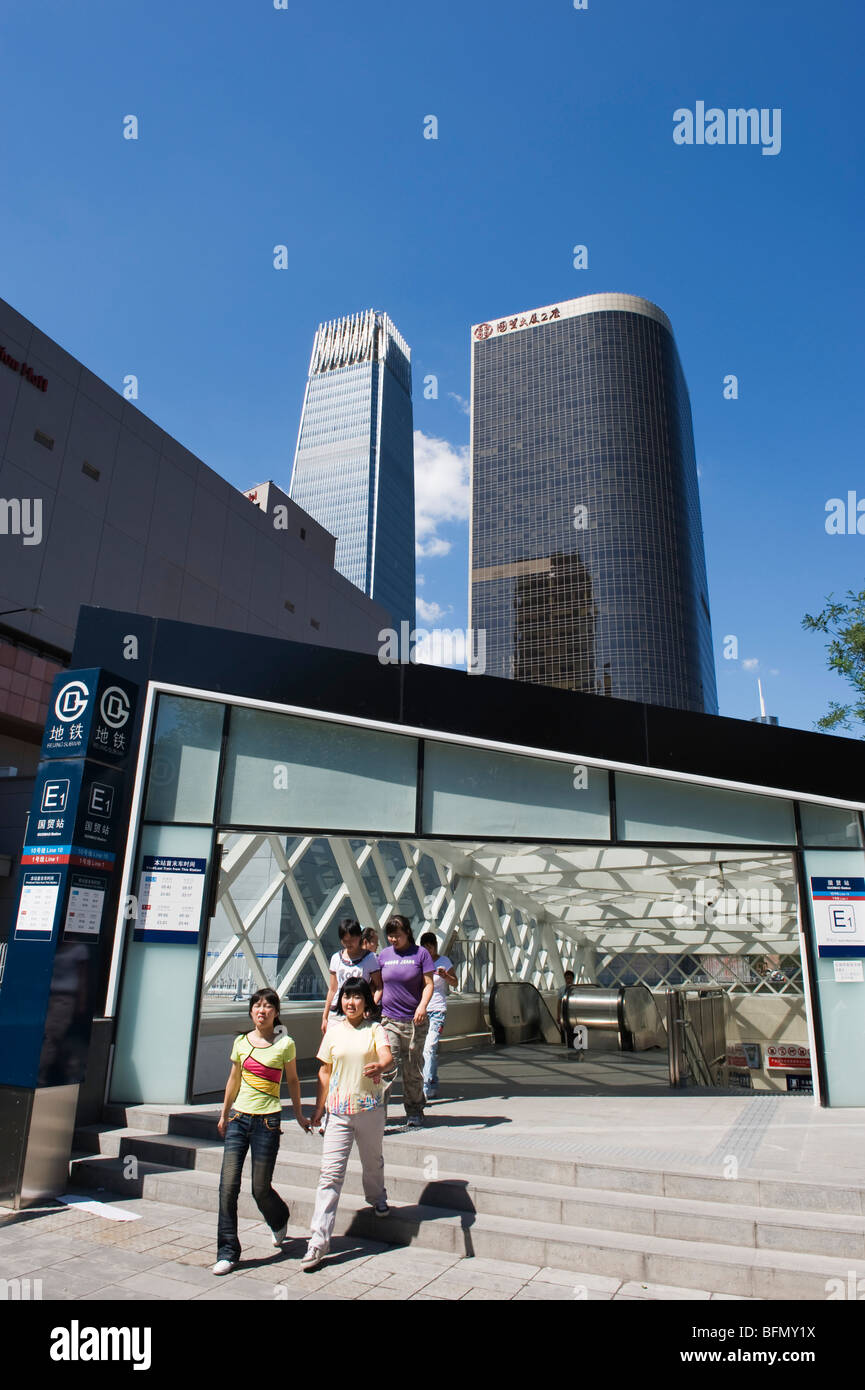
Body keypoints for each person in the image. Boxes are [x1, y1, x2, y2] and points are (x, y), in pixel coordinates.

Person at [213, 988, 310, 1276]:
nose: (261, 1010)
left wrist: (301, 1114)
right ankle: (227, 1251)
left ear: (276, 1013)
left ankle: (279, 1218)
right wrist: (224, 1113)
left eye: (268, 1006)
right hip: (239, 1118)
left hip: (268, 1121)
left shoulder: (285, 1045)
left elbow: (292, 1081)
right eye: (257, 1005)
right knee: (227, 1187)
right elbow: (234, 1079)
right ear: (251, 1011)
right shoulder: (241, 1042)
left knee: (259, 1188)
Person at [303, 978, 393, 1271]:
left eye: (356, 997)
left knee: (372, 1160)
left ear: (366, 1002)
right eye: (346, 997)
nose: (350, 1002)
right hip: (338, 1112)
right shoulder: (333, 1031)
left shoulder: (375, 1029)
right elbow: (325, 1071)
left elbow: (386, 1056)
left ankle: (377, 1196)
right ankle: (318, 1241)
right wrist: (319, 1108)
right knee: (329, 1175)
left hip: (369, 1108)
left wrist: (380, 1066)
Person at [378, 915, 434, 1128]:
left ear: (408, 933)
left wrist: (422, 1006)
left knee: (412, 1068)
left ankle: (415, 1109)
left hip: (414, 1021)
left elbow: (428, 984)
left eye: (397, 936)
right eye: (390, 936)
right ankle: (379, 1113)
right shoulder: (384, 955)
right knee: (387, 1066)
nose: (393, 940)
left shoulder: (421, 954)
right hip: (389, 1019)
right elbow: (379, 985)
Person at [320, 918, 382, 1034]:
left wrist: (369, 1007)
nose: (348, 944)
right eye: (344, 940)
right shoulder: (336, 958)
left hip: (359, 1011)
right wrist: (325, 1016)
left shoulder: (370, 958)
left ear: (360, 937)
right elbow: (333, 989)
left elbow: (378, 986)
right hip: (337, 1011)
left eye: (352, 940)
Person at [418, 931, 457, 1101]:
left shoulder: (444, 962)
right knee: (426, 1050)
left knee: (429, 1047)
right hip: (422, 1009)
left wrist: (445, 975)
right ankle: (432, 1083)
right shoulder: (419, 962)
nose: (429, 950)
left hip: (438, 1010)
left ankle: (425, 1086)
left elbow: (455, 982)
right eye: (425, 947)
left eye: (431, 946)